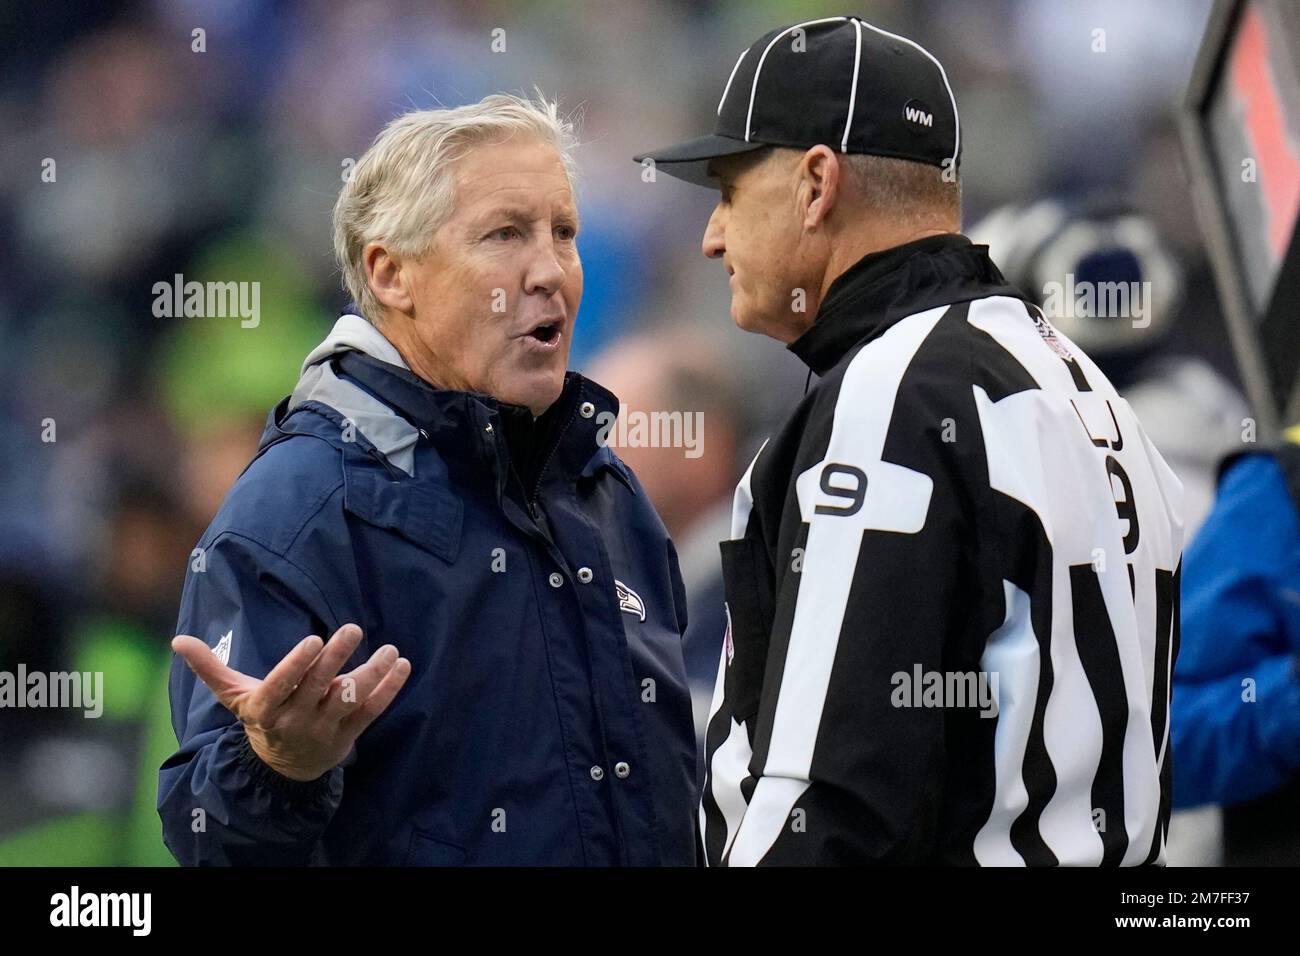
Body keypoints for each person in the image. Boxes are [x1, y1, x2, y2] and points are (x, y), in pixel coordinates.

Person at [635, 16, 1184, 865]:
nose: (711, 235)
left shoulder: (895, 390)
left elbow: (829, 798)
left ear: (817, 183)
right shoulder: (1079, 383)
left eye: (730, 189)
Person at [158, 94, 697, 866]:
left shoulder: (605, 490)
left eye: (565, 233)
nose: (550, 270)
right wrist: (277, 767)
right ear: (390, 274)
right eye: (505, 233)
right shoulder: (299, 510)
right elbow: (205, 838)